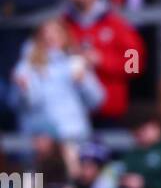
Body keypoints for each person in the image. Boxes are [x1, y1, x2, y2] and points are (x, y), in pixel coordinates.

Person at [61, 0, 146, 124]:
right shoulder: (63, 25)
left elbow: (134, 65)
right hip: (72, 114)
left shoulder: (116, 22)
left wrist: (102, 61)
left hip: (109, 111)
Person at [12, 17, 105, 150]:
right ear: (38, 38)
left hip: (73, 134)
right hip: (41, 138)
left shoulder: (76, 61)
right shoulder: (27, 65)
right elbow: (26, 104)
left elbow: (96, 101)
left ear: (64, 36)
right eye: (46, 34)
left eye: (55, 33)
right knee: (40, 170)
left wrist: (83, 82)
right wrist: (24, 89)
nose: (51, 38)